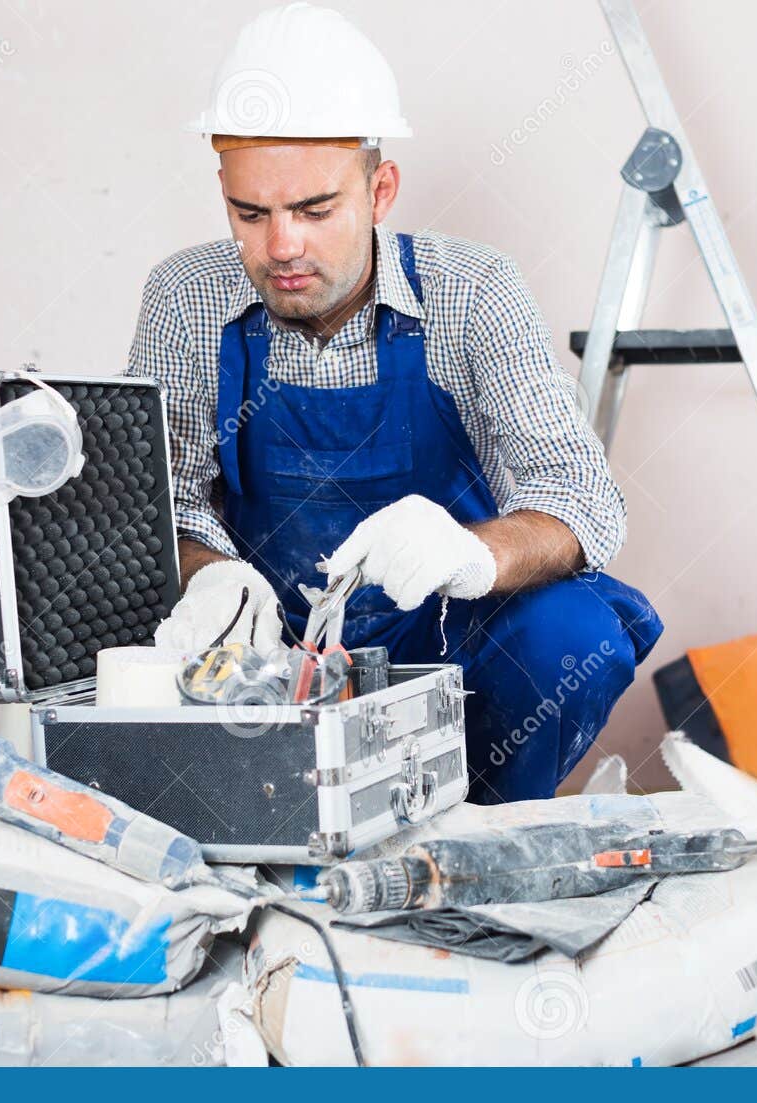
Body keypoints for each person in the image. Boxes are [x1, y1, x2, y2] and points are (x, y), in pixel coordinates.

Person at [129, 2, 662, 803]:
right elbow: (159, 504)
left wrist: (472, 553)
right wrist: (212, 581)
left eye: (314, 210)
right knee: (130, 631)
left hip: (449, 654)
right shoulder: (185, 297)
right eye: (251, 213)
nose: (281, 247)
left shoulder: (472, 291)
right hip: (270, 660)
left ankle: (472, 845)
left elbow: (585, 499)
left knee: (571, 633)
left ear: (380, 191)